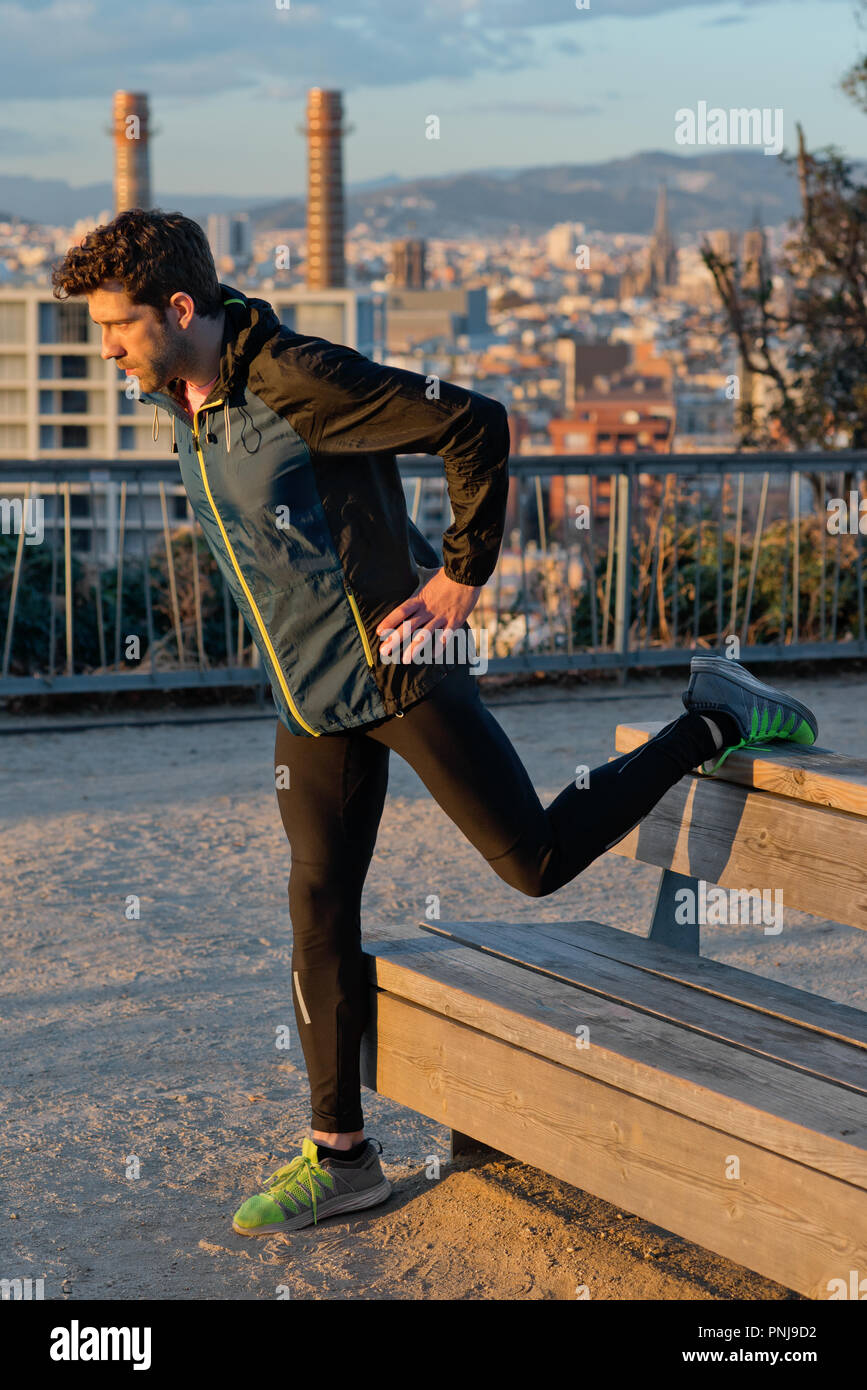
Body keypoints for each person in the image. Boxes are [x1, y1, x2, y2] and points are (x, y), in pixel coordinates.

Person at [51, 209, 819, 1237]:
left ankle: (711, 716)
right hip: (311, 702)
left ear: (178, 309)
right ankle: (343, 1155)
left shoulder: (295, 376)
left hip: (401, 668)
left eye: (114, 326)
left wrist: (461, 575)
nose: (104, 347)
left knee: (534, 861)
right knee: (319, 909)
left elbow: (476, 420)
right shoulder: (188, 395)